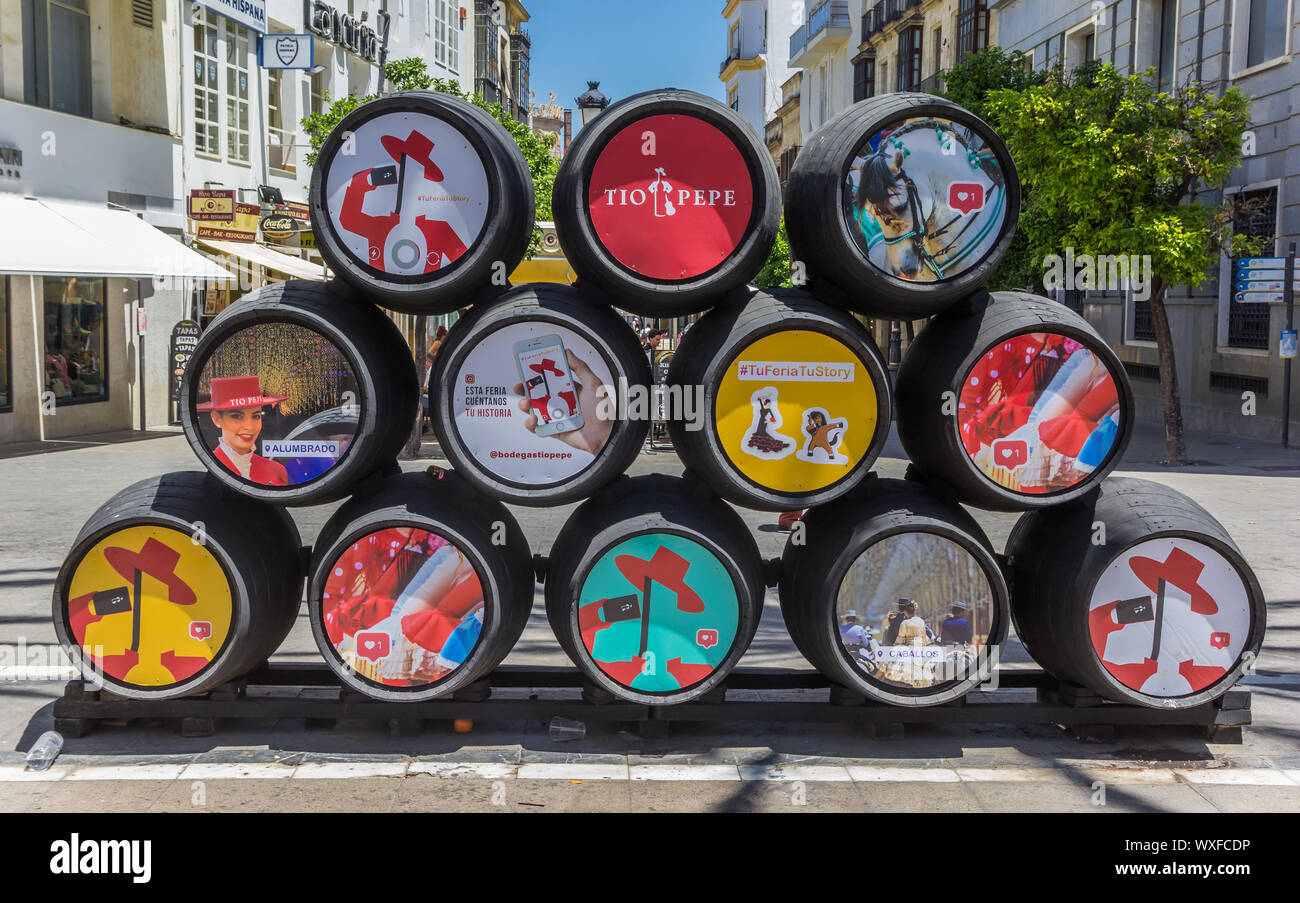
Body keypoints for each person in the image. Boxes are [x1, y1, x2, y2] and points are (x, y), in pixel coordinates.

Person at [197, 375, 290, 486]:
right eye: (237, 416)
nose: (249, 427)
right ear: (217, 418)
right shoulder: (214, 465)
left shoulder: (277, 470)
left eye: (256, 416)